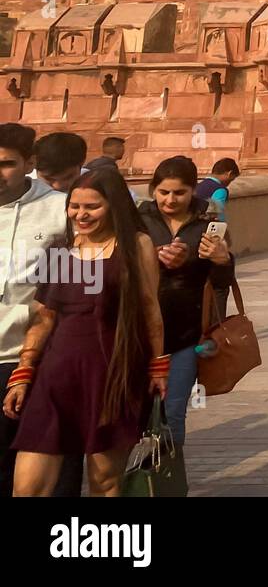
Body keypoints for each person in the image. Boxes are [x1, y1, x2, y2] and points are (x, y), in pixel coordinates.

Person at [4, 168, 166, 497]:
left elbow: (150, 309)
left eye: (92, 206)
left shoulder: (135, 245)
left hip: (112, 372)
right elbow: (44, 317)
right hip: (55, 374)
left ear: (114, 206)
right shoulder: (58, 250)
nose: (81, 214)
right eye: (75, 206)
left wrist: (159, 365)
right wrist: (23, 372)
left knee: (105, 482)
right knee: (27, 488)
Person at [0, 123, 79, 498]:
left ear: (29, 163)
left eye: (6, 164)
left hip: (34, 358)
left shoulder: (59, 209)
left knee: (47, 472)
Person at [137, 155, 235, 447]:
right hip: (141, 330)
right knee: (136, 411)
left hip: (185, 331)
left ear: (193, 190)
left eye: (179, 193)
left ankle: (168, 481)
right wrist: (151, 256)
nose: (170, 200)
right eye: (163, 192)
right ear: (153, 189)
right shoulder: (139, 221)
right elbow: (120, 268)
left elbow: (220, 282)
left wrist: (222, 260)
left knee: (172, 411)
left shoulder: (209, 220)